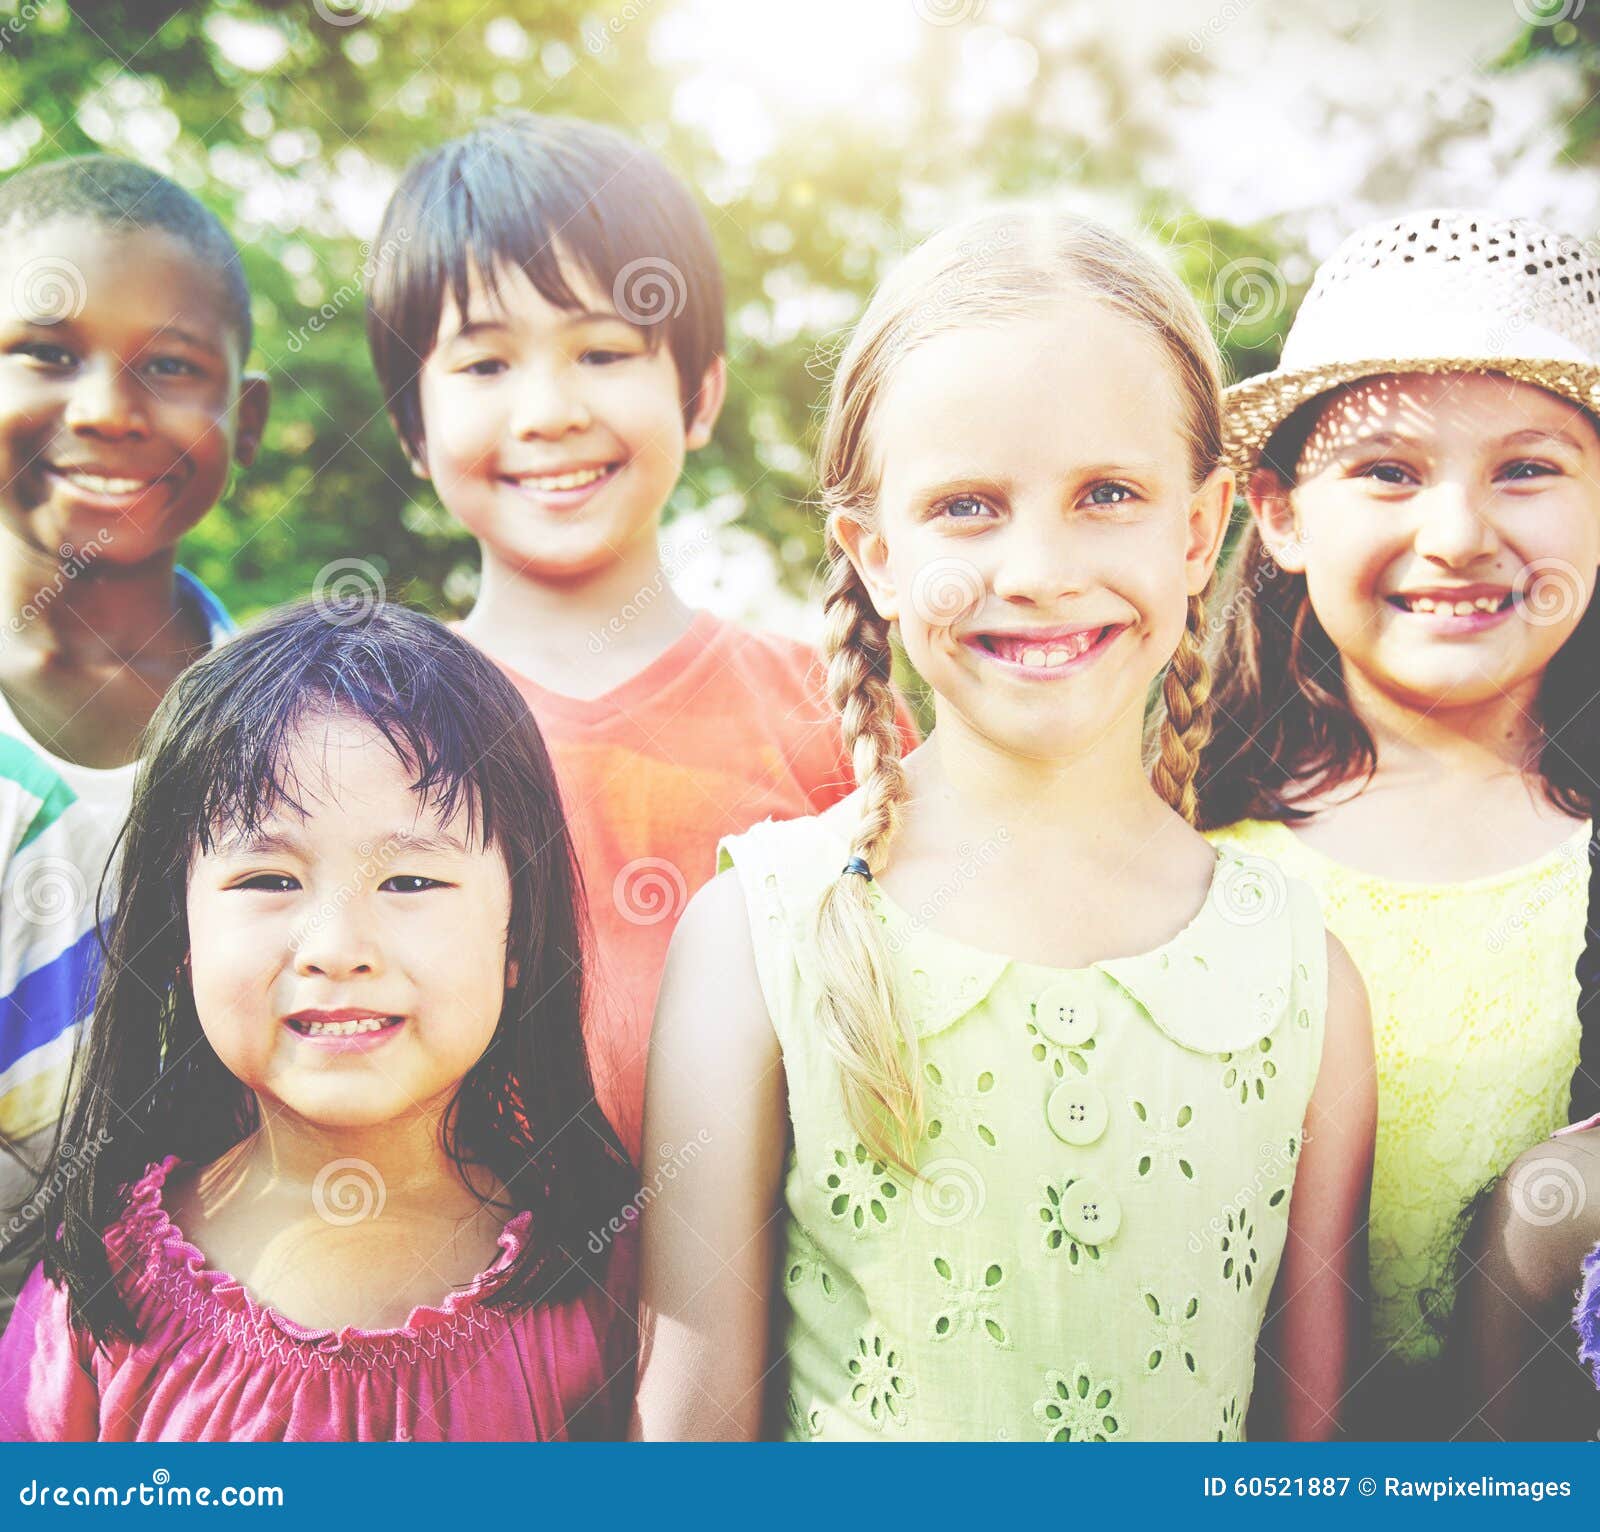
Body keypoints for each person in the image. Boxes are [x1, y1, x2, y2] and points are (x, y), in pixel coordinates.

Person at [633, 207, 1375, 1442]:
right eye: (969, 505)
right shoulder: (760, 934)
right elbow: (693, 1439)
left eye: (1106, 494)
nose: (1036, 565)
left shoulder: (1304, 974)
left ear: (1197, 532)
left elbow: (1306, 1454)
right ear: (872, 555)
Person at [365, 113, 917, 1164]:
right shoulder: (362, 728)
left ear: (698, 391)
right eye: (483, 365)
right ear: (411, 426)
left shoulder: (825, 716)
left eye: (603, 349)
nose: (548, 410)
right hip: (469, 1315)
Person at [0, 602, 636, 1441]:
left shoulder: (617, 1276)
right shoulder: (97, 1291)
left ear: (520, 935)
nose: (337, 949)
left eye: (410, 883)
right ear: (178, 934)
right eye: (269, 879)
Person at [1198, 209, 1600, 1437]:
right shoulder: (1189, 870)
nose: (1458, 534)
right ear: (1276, 514)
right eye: (1386, 470)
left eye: (1526, 468)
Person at [0, 154, 268, 1317]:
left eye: (169, 365)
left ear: (243, 420)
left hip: (213, 1384)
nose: (108, 406)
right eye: (47, 353)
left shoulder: (298, 735)